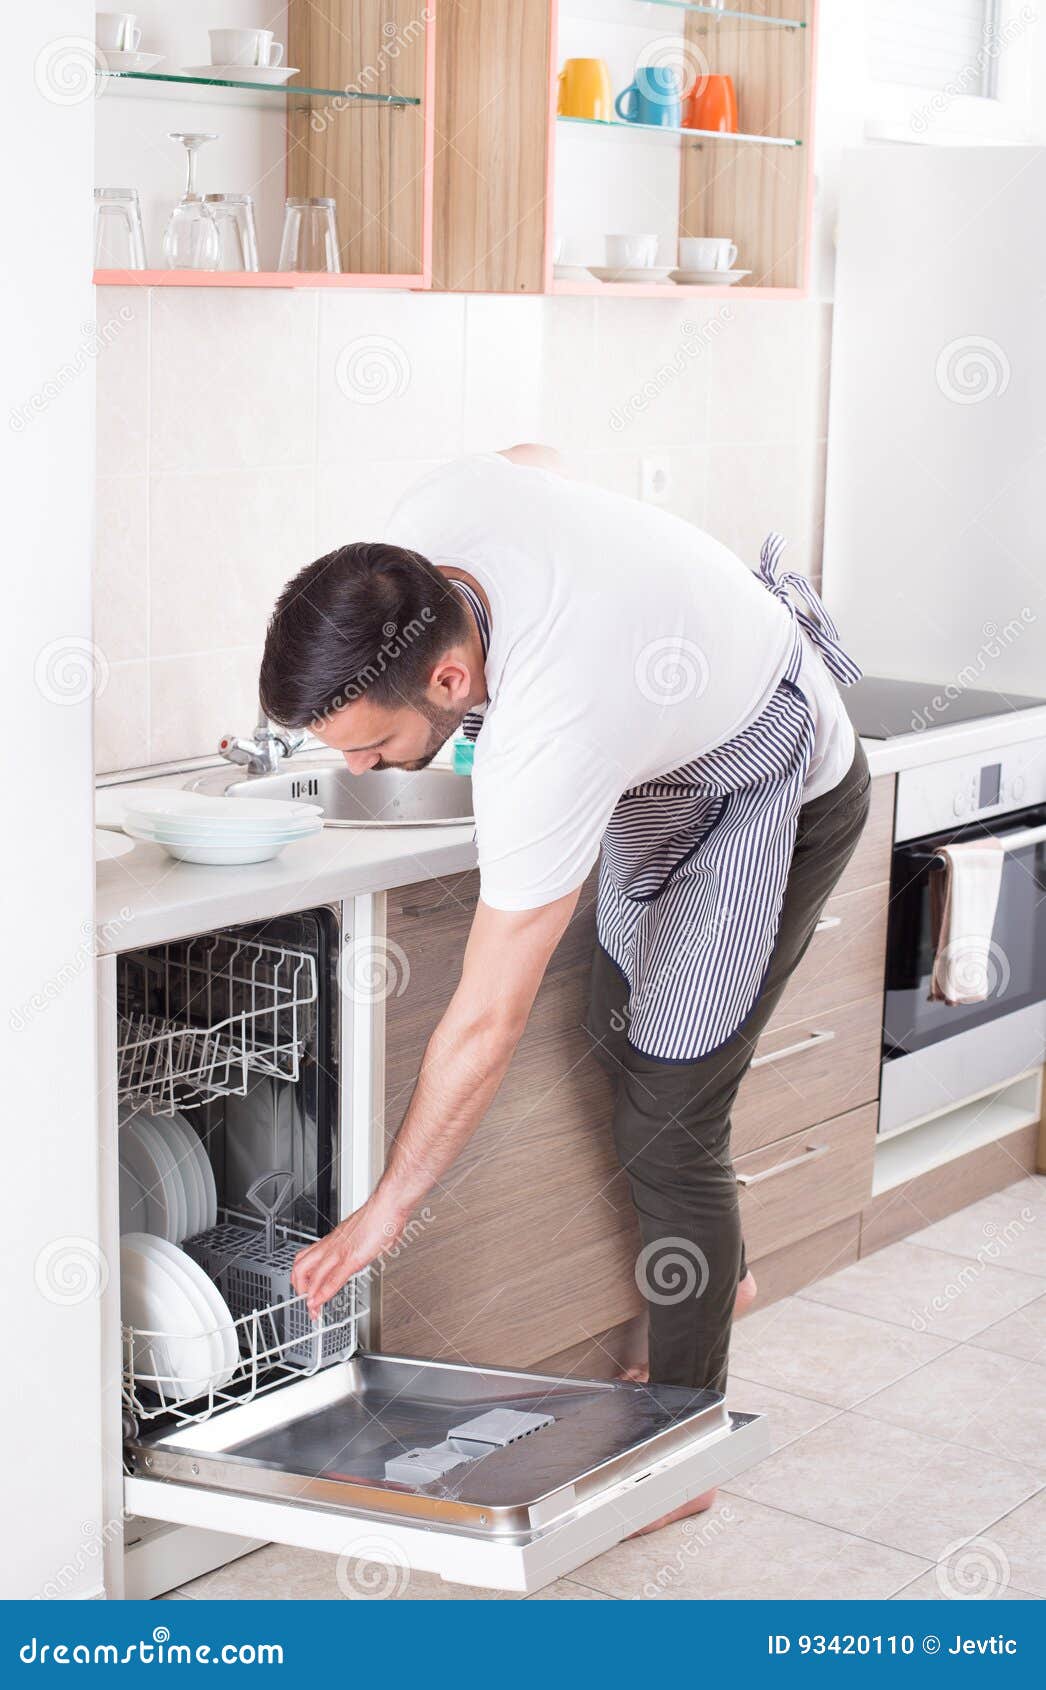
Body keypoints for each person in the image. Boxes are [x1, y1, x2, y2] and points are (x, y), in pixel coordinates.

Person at [260, 446, 870, 1532]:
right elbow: (532, 460)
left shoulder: (549, 729)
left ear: (449, 680)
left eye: (369, 746)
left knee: (672, 1113)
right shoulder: (431, 524)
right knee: (618, 1033)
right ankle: (711, 1272)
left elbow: (484, 1018)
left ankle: (682, 1445)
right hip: (669, 742)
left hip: (775, 769)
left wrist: (384, 1212)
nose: (354, 770)